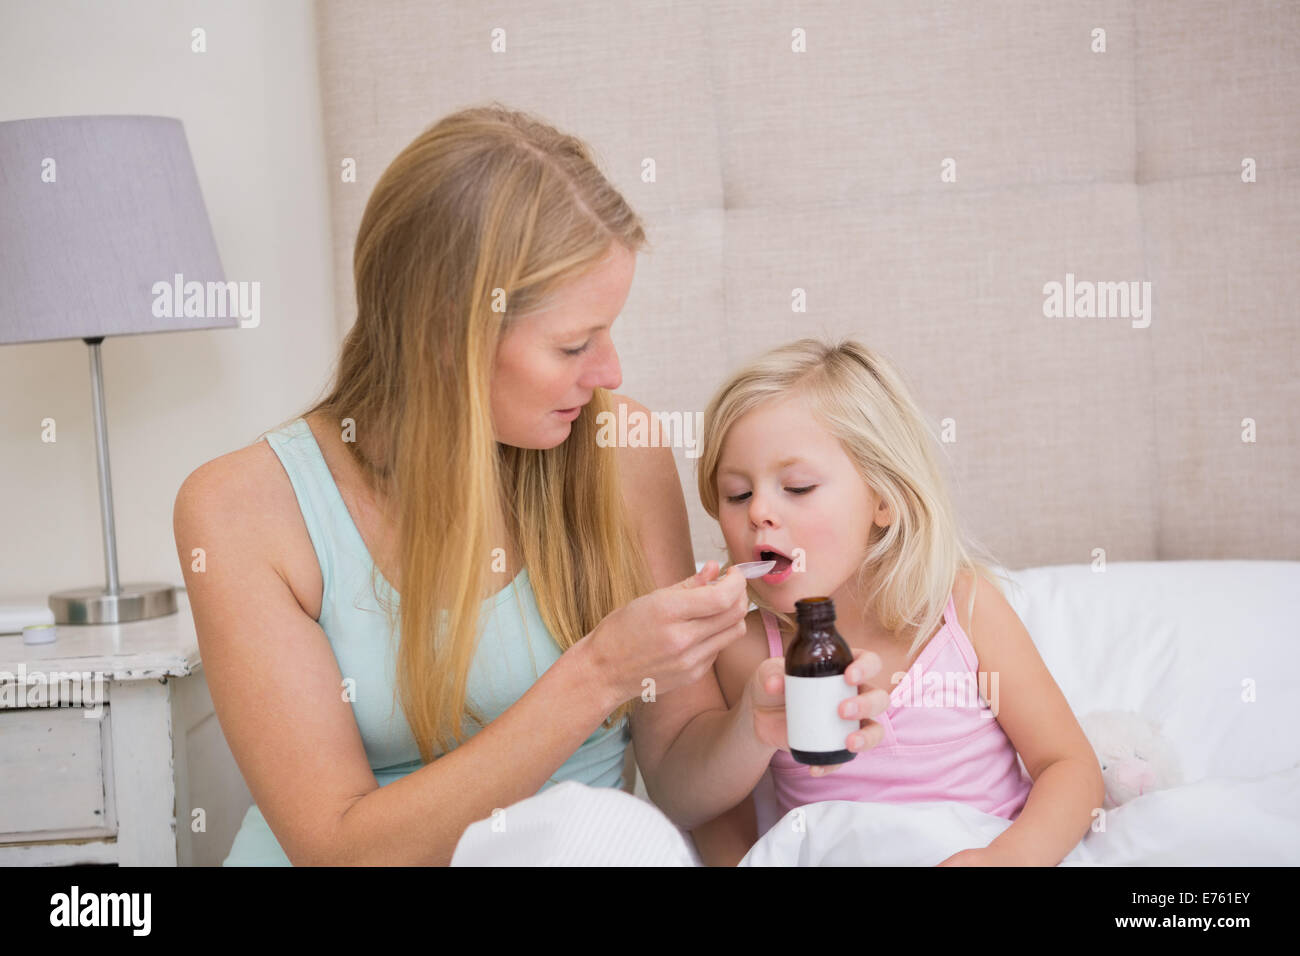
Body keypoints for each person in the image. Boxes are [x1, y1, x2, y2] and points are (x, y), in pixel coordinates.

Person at [172, 104, 756, 865]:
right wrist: (600, 672)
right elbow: (337, 850)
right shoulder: (240, 512)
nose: (610, 375)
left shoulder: (620, 450)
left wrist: (760, 723)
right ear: (451, 335)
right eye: (574, 344)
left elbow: (682, 776)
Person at [686, 338, 1106, 866]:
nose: (759, 512)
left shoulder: (964, 609)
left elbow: (1070, 767)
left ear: (884, 499)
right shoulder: (748, 652)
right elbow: (714, 808)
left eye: (798, 486)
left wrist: (1010, 858)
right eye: (738, 495)